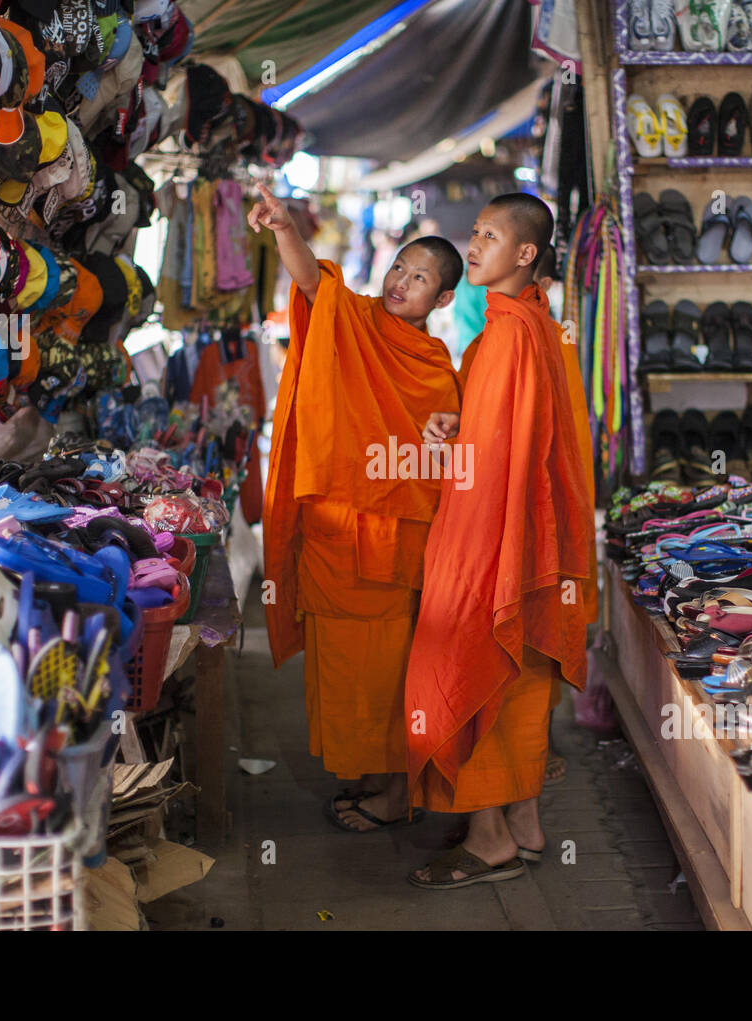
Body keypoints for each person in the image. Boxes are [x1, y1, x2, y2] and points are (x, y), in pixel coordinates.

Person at [252, 182, 464, 833]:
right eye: (400, 266)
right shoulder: (358, 317)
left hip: (396, 549)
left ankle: (398, 792)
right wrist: (285, 229)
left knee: (391, 671)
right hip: (337, 532)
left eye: (420, 277)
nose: (402, 282)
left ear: (444, 299)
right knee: (344, 665)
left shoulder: (434, 364)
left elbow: (440, 463)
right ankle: (371, 776)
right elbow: (314, 284)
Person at [405, 193, 593, 888]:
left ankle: (489, 838)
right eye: (474, 233)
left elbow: (505, 458)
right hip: (532, 532)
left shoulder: (512, 333)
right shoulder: (532, 322)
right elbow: (516, 435)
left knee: (471, 660)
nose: (474, 245)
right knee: (522, 674)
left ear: (525, 254)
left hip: (494, 530)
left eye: (491, 236)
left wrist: (481, 558)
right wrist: (456, 429)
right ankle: (524, 823)